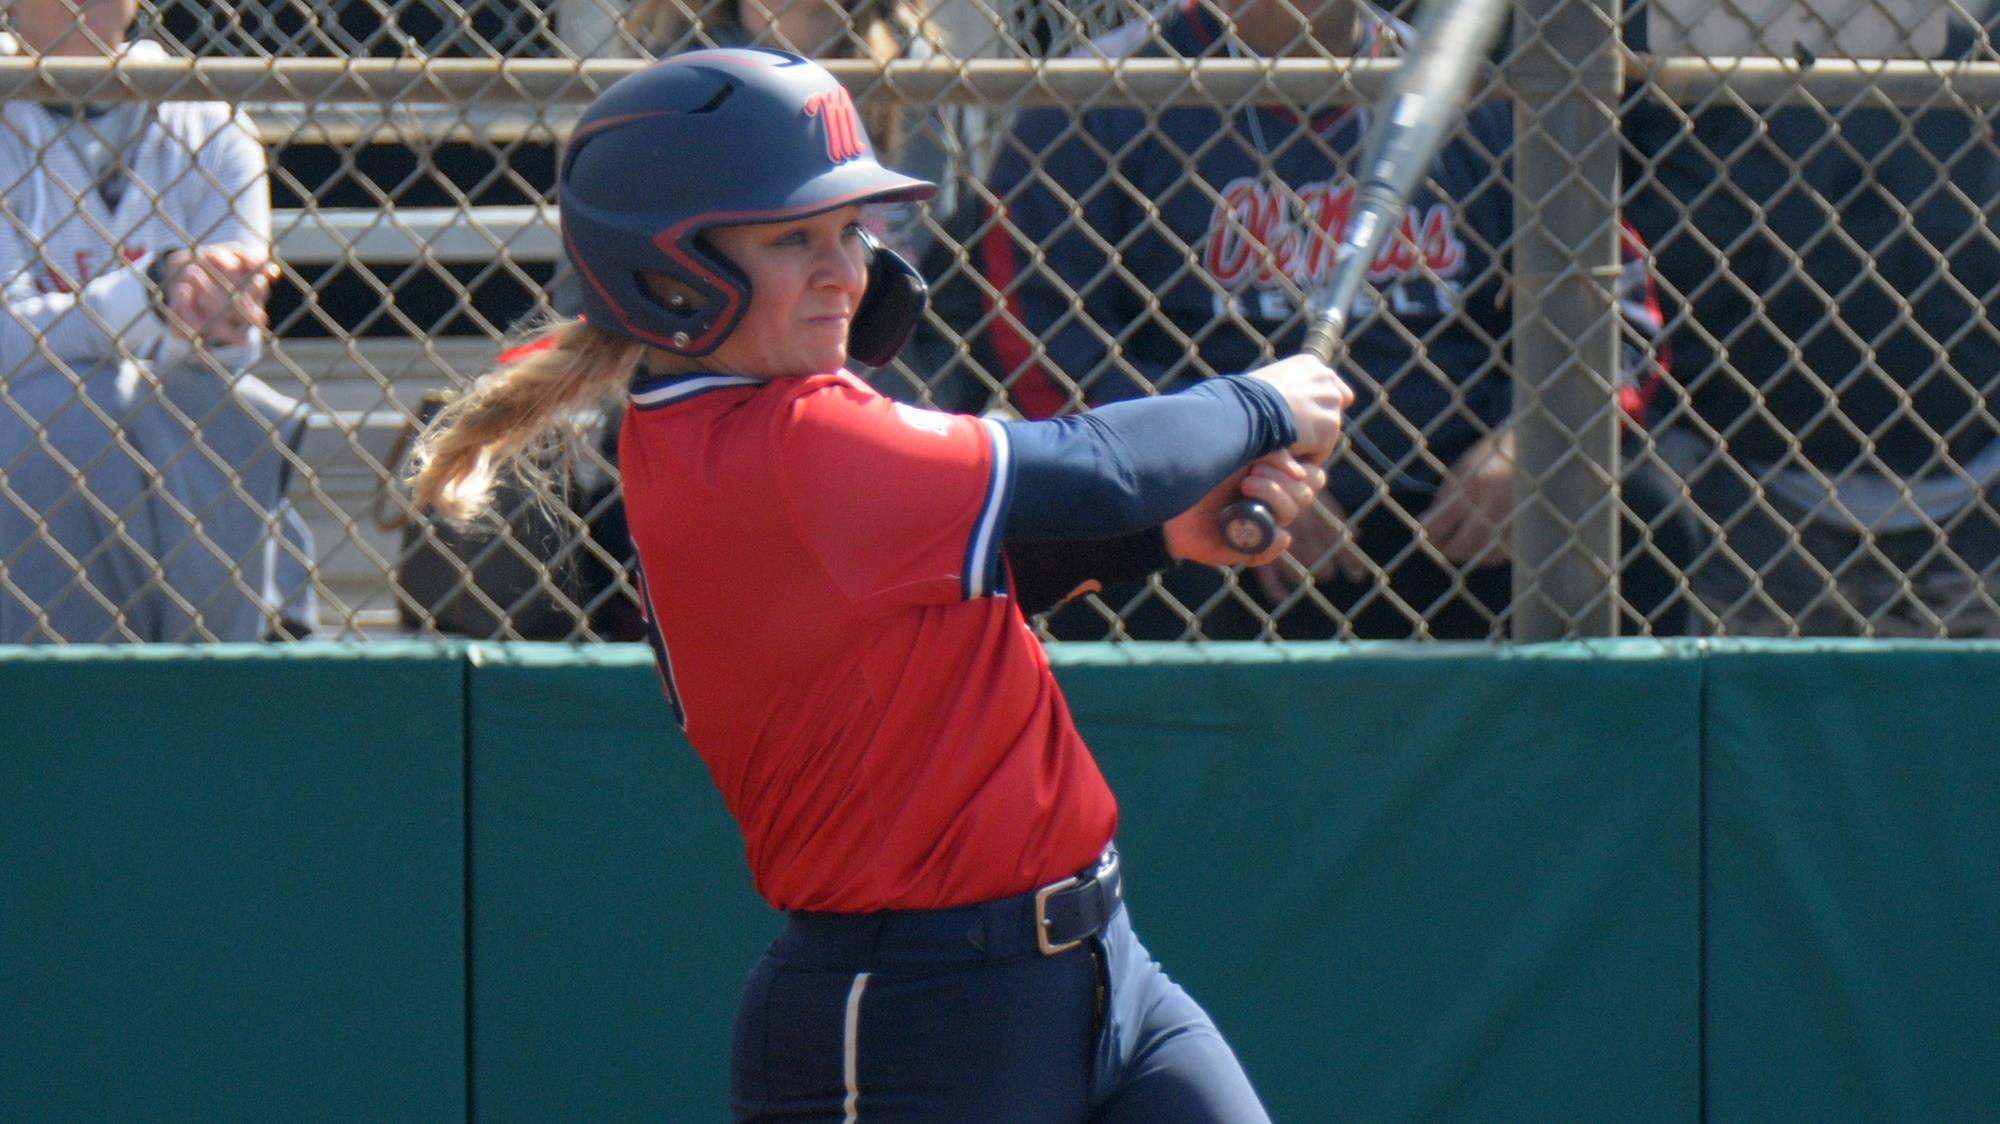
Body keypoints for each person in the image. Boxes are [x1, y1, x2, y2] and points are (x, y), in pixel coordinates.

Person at [411, 48, 1348, 1121]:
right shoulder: (788, 441)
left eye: (850, 232)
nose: (843, 270)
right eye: (790, 238)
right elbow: (1099, 468)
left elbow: (947, 594)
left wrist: (1158, 538)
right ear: (666, 273)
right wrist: (1264, 398)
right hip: (917, 1013)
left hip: (1099, 967)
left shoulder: (733, 428)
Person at [973, 0, 1702, 639]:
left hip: (1456, 502)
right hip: (1219, 509)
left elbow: (1622, 312)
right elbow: (1042, 341)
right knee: (1112, 547)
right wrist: (1213, 462)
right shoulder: (1096, 94)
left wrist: (1530, 442)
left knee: (1644, 513)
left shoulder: (1472, 87)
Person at [1623, 0, 2000, 636]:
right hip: (1728, 481)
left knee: (1960, 731)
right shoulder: (1656, 19)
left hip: (1975, 485)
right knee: (1744, 725)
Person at [0, 0, 312, 642]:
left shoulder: (212, 121)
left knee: (233, 417)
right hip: (32, 438)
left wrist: (208, 310)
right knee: (61, 416)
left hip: (180, 419)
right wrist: (151, 295)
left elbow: (228, 352)